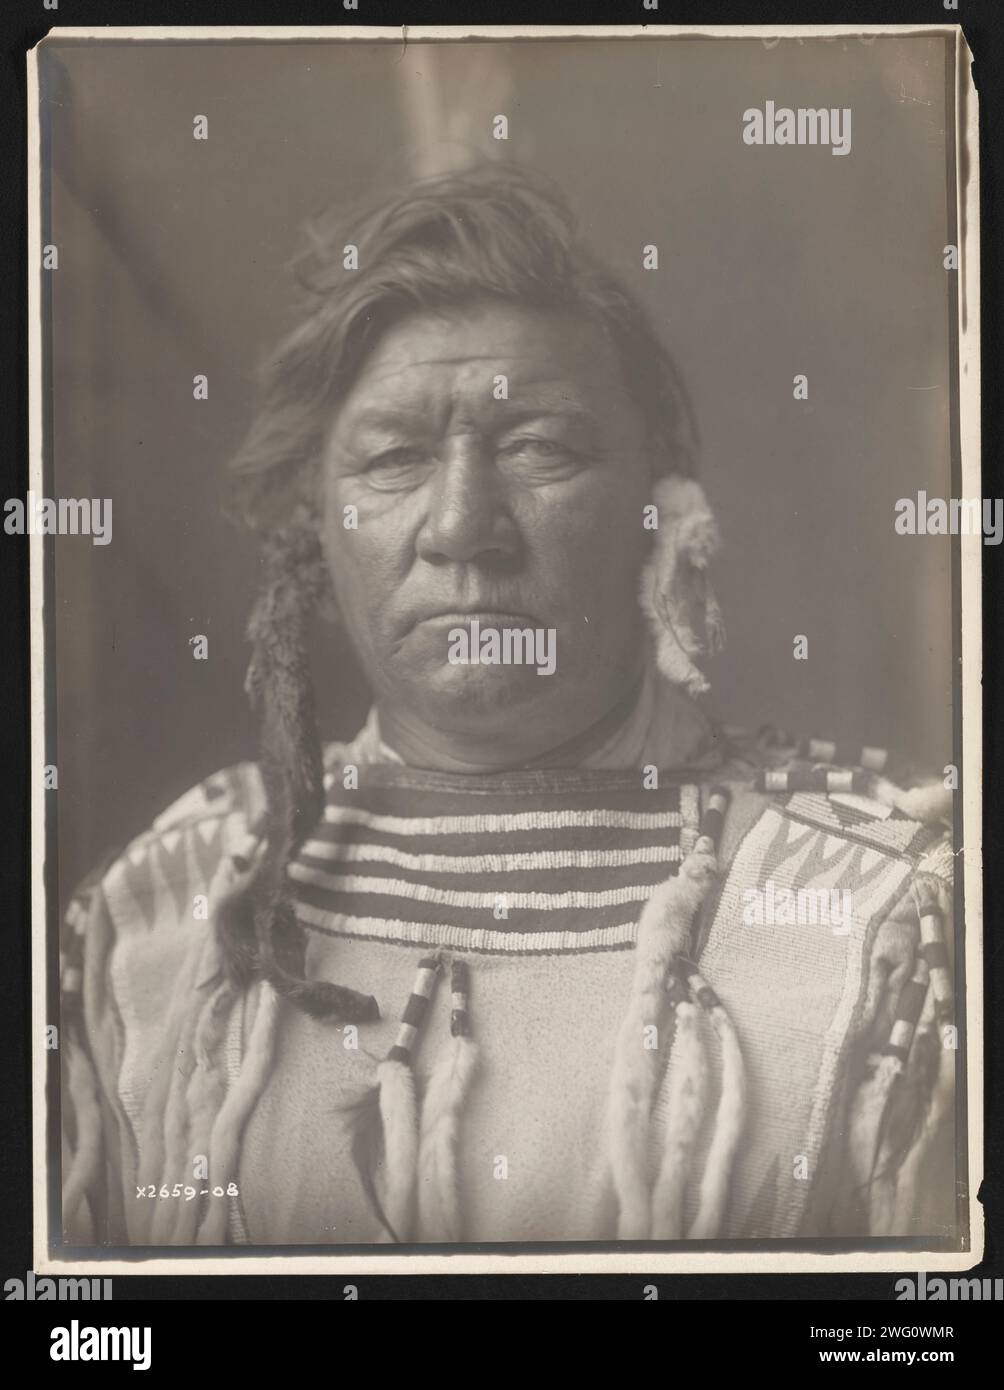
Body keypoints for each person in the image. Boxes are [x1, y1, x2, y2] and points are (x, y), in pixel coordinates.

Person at [59, 163, 958, 1248]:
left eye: (539, 447)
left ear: (661, 506)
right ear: (313, 532)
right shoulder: (168, 920)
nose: (462, 527)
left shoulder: (877, 916)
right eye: (392, 457)